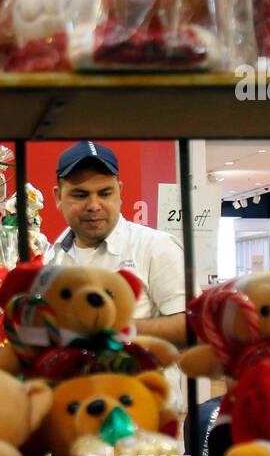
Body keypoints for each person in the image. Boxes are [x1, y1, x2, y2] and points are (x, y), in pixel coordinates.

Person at [44, 141, 188, 347]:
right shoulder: (51, 257)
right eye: (80, 195)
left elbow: (191, 327)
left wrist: (110, 329)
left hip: (139, 380)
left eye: (105, 193)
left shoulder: (156, 247)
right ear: (58, 197)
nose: (94, 206)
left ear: (119, 192)